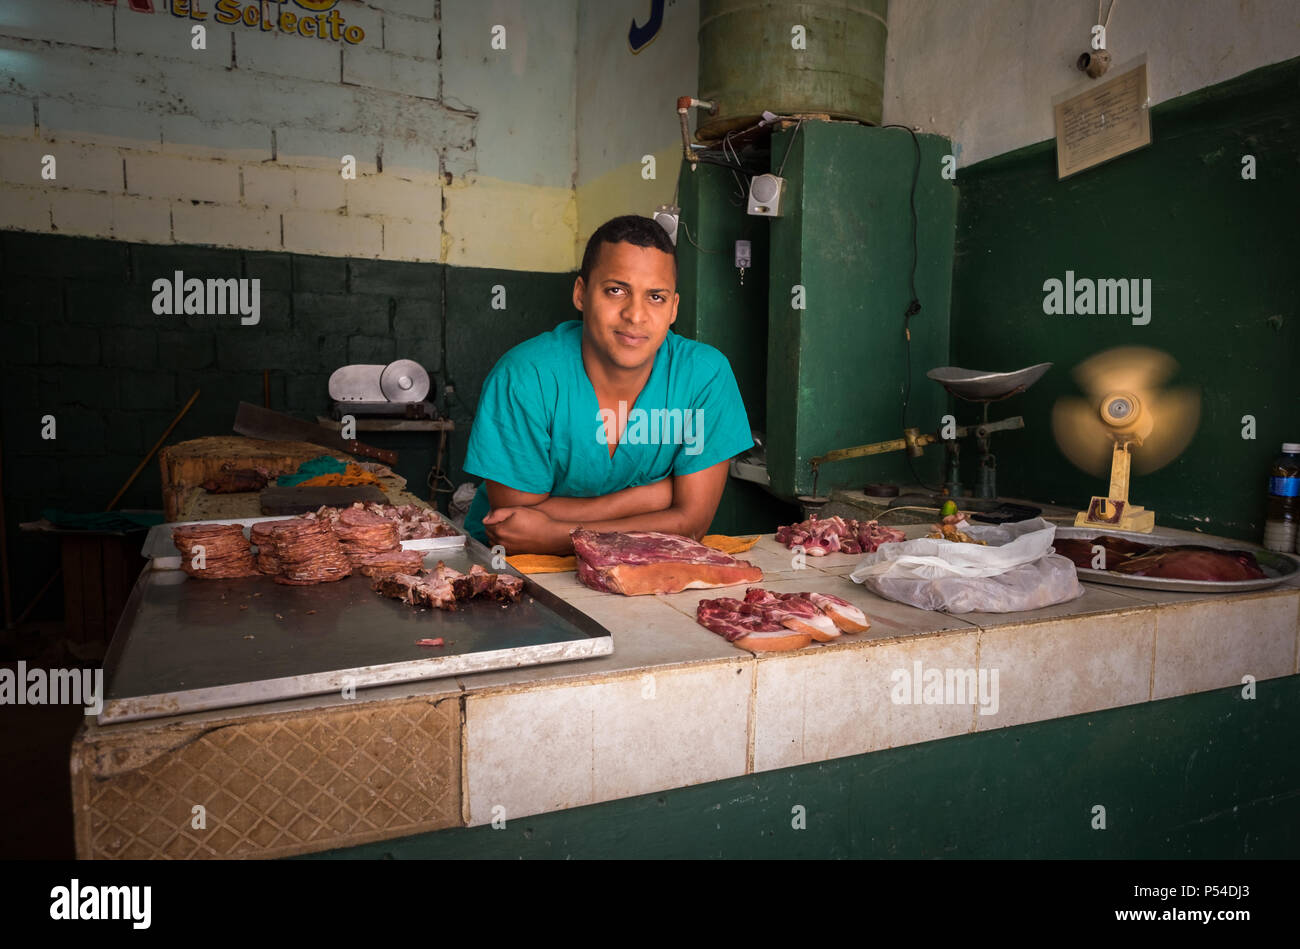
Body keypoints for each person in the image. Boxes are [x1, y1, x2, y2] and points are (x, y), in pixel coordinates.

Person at [462, 214, 753, 555]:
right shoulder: (525, 377)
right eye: (616, 290)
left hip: (642, 572)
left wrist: (557, 533)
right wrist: (653, 498)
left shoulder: (704, 375)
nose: (635, 314)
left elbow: (691, 525)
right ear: (582, 293)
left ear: (674, 308)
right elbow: (513, 528)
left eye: (655, 297)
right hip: (511, 574)